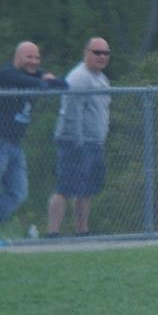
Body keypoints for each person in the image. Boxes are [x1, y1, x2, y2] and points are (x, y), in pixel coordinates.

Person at [0, 42, 61, 242]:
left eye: (36, 57)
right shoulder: (6, 75)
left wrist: (47, 80)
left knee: (18, 192)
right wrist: (44, 80)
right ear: (17, 58)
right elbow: (39, 84)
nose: (33, 61)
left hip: (14, 145)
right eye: (29, 57)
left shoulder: (33, 77)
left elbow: (62, 85)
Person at [47, 37, 114, 236]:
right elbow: (71, 112)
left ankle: (82, 231)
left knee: (87, 190)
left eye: (105, 53)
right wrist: (77, 142)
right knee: (65, 188)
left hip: (95, 143)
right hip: (75, 142)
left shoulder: (101, 78)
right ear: (86, 53)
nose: (102, 57)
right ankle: (53, 233)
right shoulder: (80, 77)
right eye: (97, 52)